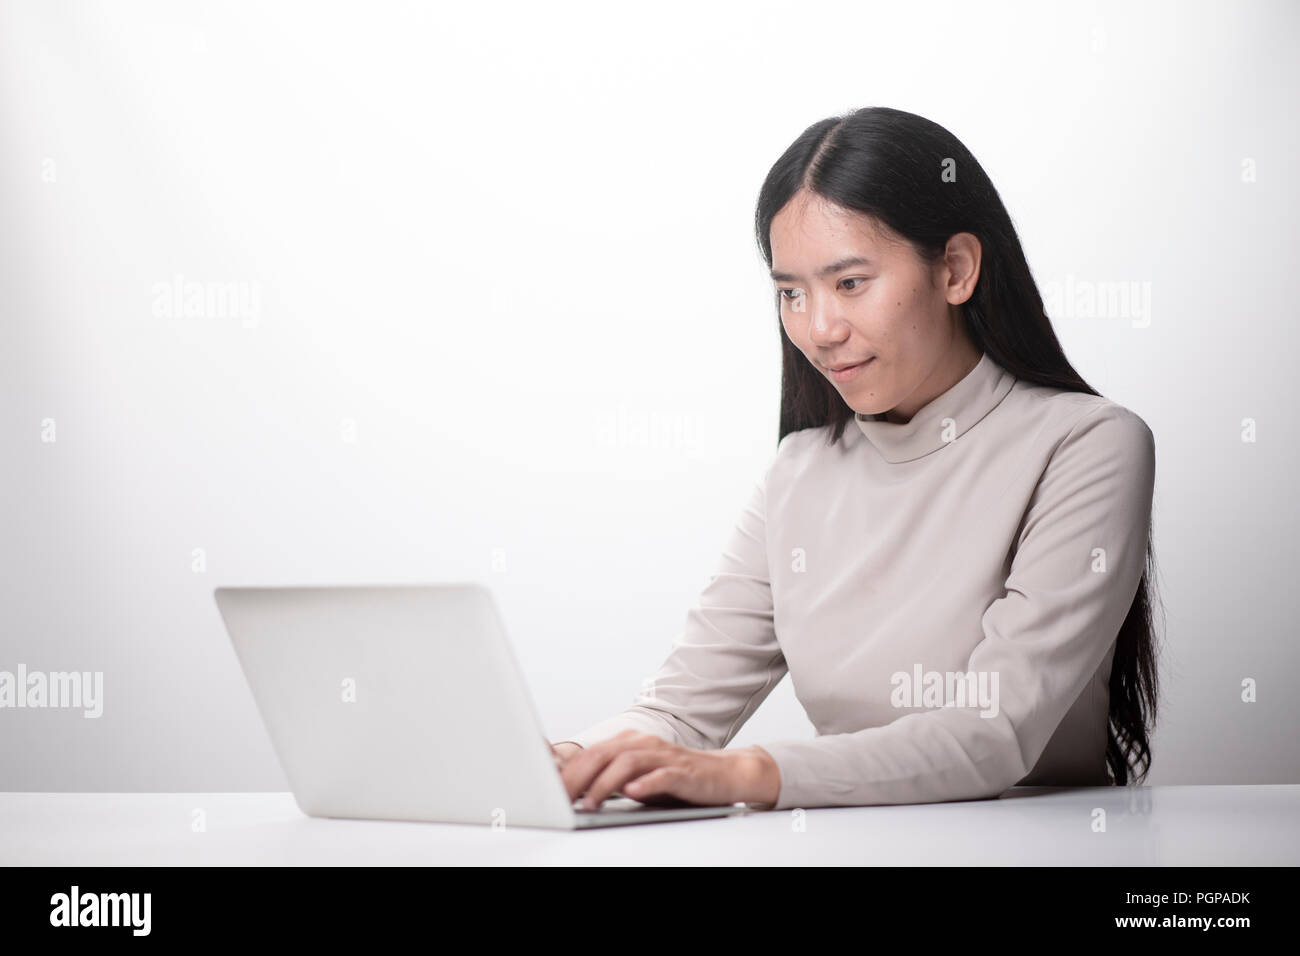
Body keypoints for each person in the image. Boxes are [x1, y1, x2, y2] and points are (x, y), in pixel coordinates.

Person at [551, 106, 1162, 812]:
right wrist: (577, 759)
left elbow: (992, 733)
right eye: (791, 293)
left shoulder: (1087, 444)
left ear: (956, 269)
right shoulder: (799, 470)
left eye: (849, 283)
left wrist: (743, 775)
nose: (818, 329)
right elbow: (679, 712)